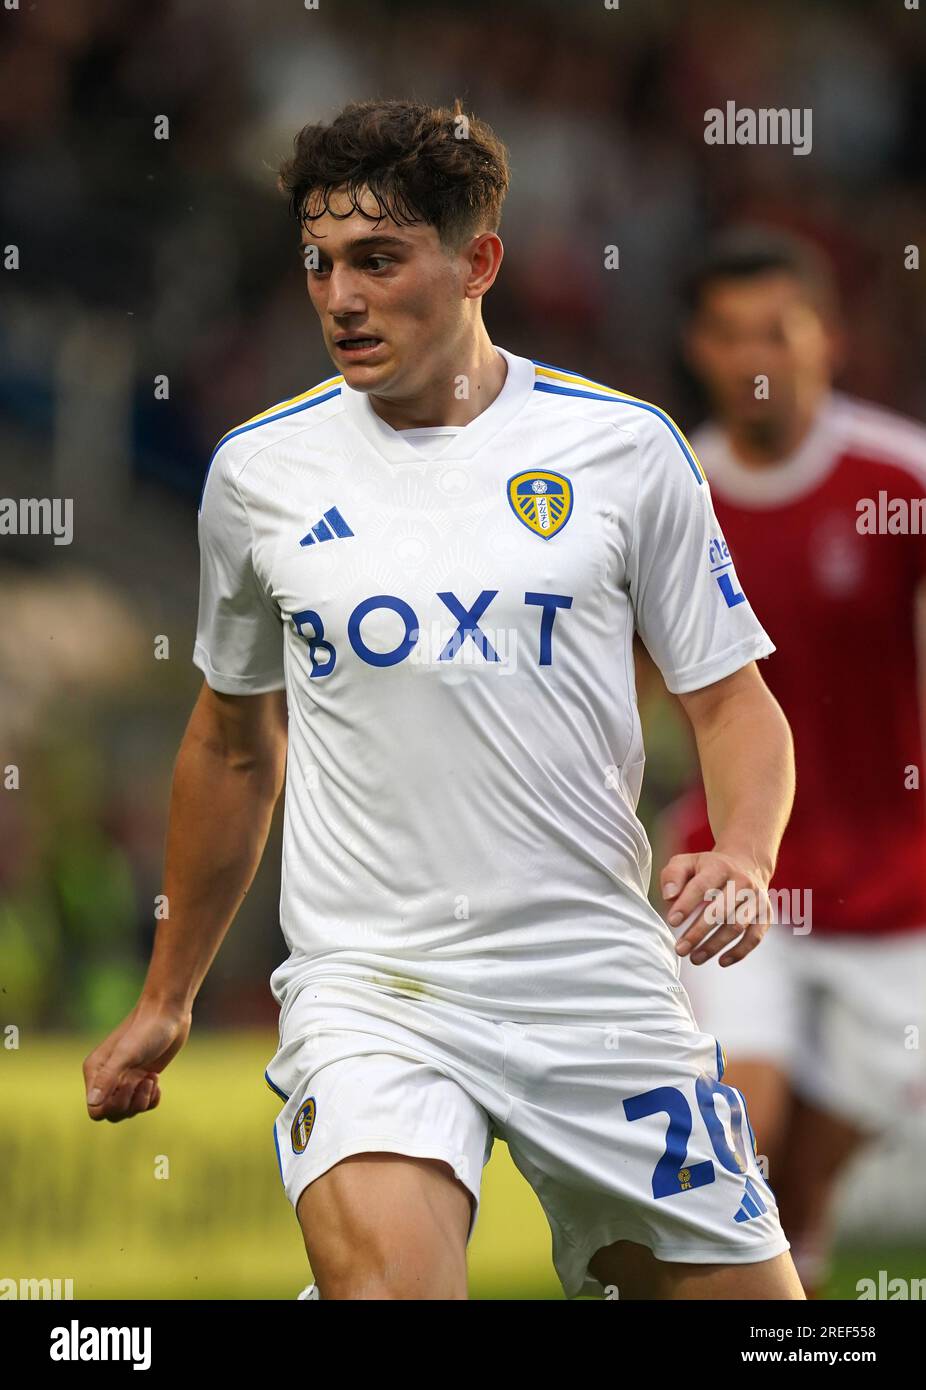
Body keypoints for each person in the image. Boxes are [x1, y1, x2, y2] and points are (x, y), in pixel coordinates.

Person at [83, 99, 803, 1301]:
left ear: (477, 263)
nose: (339, 297)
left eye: (377, 259)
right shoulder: (258, 474)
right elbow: (232, 745)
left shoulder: (622, 450)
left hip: (593, 978)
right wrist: (168, 995)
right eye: (319, 263)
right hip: (375, 987)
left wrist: (744, 850)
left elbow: (731, 703)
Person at [666, 227, 926, 1296]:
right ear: (696, 348)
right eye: (729, 335)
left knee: (809, 1170)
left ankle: (794, 1295)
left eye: (777, 329)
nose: (754, 358)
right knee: (745, 1120)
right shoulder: (664, 491)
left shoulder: (897, 480)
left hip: (892, 882)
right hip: (736, 865)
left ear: (829, 338)